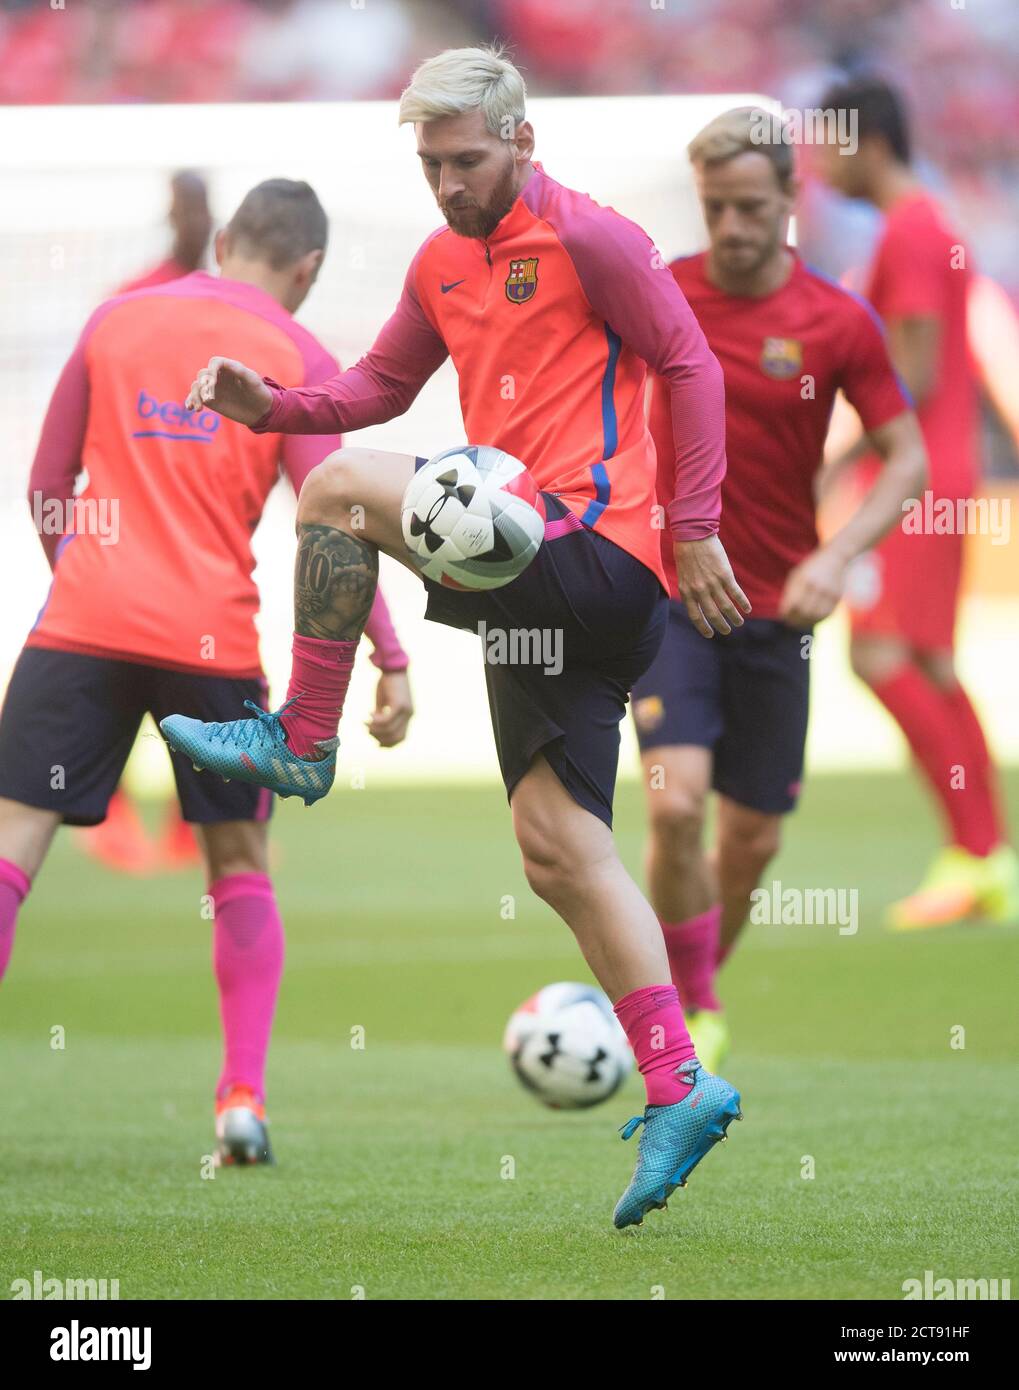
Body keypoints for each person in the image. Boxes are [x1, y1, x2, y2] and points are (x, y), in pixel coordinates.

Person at [161, 45, 748, 1230]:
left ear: (520, 141)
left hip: (587, 548)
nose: (445, 183)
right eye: (429, 163)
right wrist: (270, 408)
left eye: (464, 160)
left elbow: (689, 363)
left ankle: (304, 740)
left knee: (328, 497)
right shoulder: (440, 263)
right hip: (541, 579)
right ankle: (680, 1079)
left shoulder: (592, 239)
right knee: (555, 847)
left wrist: (695, 528)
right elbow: (375, 388)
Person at [0, 178, 413, 1167]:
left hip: (80, 629)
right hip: (211, 647)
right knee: (236, 870)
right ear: (306, 269)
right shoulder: (298, 356)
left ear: (226, 238)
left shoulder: (116, 316)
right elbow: (340, 514)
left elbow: (46, 486)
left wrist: (93, 587)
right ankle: (240, 1101)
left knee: (11, 857)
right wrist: (388, 657)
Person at [633, 107, 926, 1071]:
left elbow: (905, 458)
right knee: (676, 806)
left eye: (750, 207)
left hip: (776, 609)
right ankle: (686, 1012)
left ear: (792, 201)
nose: (729, 227)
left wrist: (837, 555)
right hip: (669, 598)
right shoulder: (660, 297)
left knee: (751, 838)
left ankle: (689, 991)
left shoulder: (834, 323)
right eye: (714, 207)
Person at [817, 76, 1017, 930]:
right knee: (928, 661)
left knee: (881, 655)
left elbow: (918, 375)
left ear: (865, 143)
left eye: (827, 143)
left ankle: (976, 854)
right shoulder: (927, 224)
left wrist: (828, 462)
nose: (817, 163)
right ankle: (983, 857)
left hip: (912, 482)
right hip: (935, 472)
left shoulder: (910, 231)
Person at [80, 169, 217, 875]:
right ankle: (116, 816)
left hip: (202, 526)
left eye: (205, 207)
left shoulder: (230, 310)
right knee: (126, 673)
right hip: (134, 524)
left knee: (201, 671)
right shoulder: (129, 302)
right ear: (173, 215)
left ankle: (192, 830)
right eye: (188, 207)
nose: (197, 219)